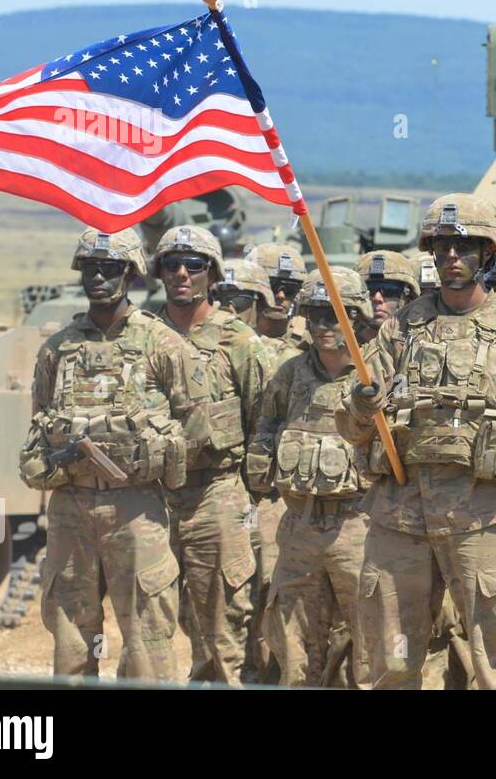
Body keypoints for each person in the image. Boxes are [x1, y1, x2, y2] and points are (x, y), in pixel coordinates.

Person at [343, 194, 496, 689]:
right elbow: (351, 429)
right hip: (400, 520)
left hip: (484, 523)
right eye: (444, 246)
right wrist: (363, 406)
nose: (453, 257)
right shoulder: (399, 329)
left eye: (466, 247)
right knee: (391, 661)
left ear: (487, 254)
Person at [18, 227, 205, 680]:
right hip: (70, 506)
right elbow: (40, 420)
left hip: (136, 507)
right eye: (90, 268)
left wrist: (154, 456)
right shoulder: (57, 349)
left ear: (131, 274)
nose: (97, 277)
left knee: (147, 636)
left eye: (110, 268)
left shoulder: (163, 345)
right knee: (70, 633)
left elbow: (197, 426)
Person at [152, 225, 272, 685]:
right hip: (152, 498)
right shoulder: (143, 334)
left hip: (216, 495)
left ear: (212, 273)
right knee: (152, 627)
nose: (182, 273)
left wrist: (250, 498)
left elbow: (263, 418)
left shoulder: (238, 341)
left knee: (225, 629)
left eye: (194, 265)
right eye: (171, 264)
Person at [247, 268, 375, 687]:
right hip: (299, 526)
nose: (323, 326)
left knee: (371, 646)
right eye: (315, 315)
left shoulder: (375, 377)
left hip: (360, 529)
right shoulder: (290, 375)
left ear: (356, 316)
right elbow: (266, 428)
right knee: (295, 646)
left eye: (334, 314)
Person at [212, 257, 283, 684]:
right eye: (220, 299)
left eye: (239, 301)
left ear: (259, 305)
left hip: (268, 498)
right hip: (217, 499)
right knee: (222, 605)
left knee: (271, 600)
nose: (229, 310)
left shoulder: (271, 357)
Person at [245, 242, 309, 354]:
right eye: (272, 286)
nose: (281, 296)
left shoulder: (311, 340)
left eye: (290, 288)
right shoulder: (232, 335)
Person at [355, 250, 420, 346]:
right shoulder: (342, 347)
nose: (377, 298)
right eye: (369, 290)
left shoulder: (418, 346)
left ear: (407, 298)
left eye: (390, 291)